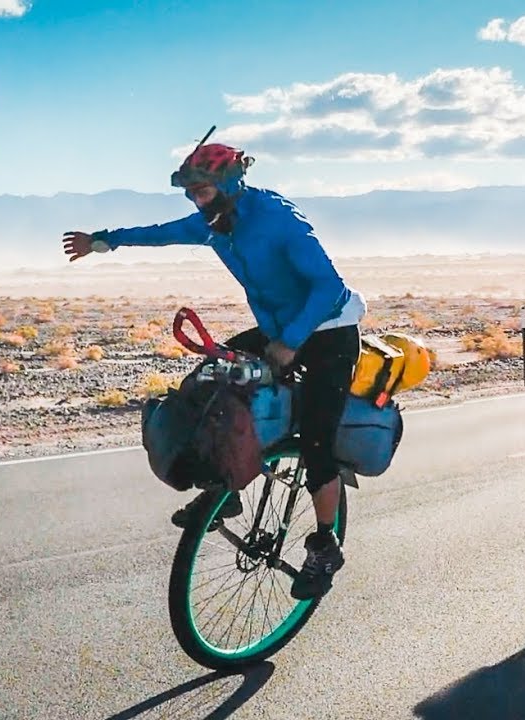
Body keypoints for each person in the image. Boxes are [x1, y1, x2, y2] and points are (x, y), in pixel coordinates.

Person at [61, 134, 364, 599]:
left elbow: (327, 286)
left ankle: (326, 546)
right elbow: (159, 232)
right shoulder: (213, 222)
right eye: (190, 194)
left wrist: (290, 342)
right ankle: (224, 486)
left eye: (201, 192)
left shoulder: (278, 220)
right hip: (281, 329)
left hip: (326, 332)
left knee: (317, 440)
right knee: (210, 379)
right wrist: (103, 241)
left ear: (231, 183)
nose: (195, 203)